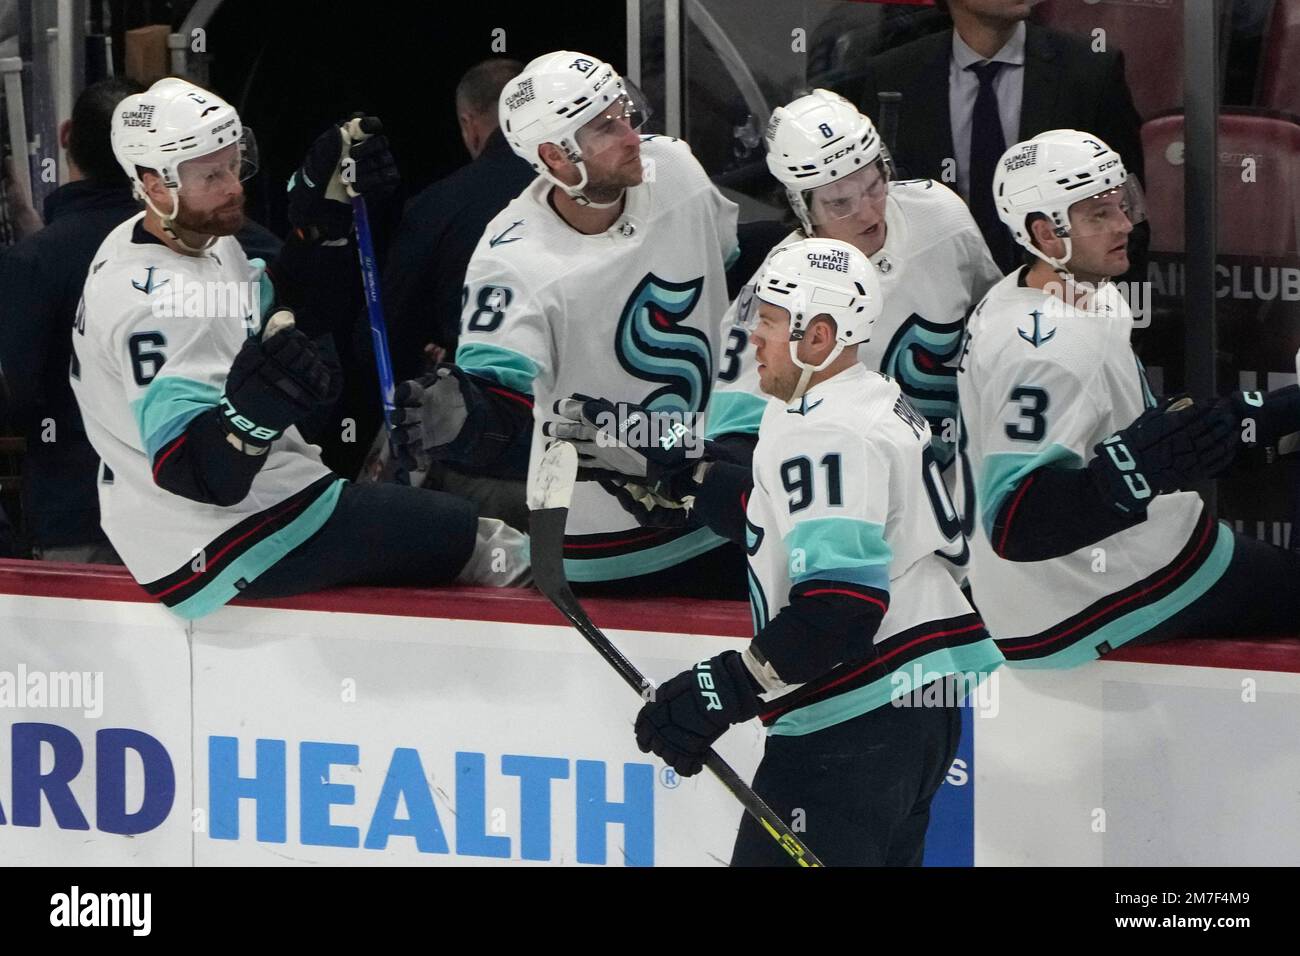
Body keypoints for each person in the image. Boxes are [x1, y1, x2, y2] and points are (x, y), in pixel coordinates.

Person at [549, 238, 1004, 865]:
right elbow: (792, 525)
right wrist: (686, 477)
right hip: (917, 710)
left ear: (816, 337)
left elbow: (841, 605)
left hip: (854, 724)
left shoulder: (825, 432)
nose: (753, 339)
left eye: (767, 321)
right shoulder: (865, 399)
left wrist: (723, 689)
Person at [70, 78, 526, 619]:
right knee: (487, 544)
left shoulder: (182, 242)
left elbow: (294, 314)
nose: (233, 186)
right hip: (222, 537)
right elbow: (195, 473)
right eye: (210, 176)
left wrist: (319, 228)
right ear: (154, 183)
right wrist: (248, 420)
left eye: (233, 164)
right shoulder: (156, 303)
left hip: (223, 518)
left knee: (446, 526)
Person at [391, 51, 745, 597]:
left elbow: (727, 279)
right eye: (605, 127)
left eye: (625, 112)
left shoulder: (677, 171)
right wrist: (465, 418)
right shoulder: (510, 258)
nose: (632, 136)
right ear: (556, 156)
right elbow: (500, 405)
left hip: (725, 511)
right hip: (607, 547)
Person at [958, 129, 1300, 665]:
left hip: (1088, 575)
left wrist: (1262, 417)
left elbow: (1137, 439)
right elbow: (1015, 524)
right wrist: (1134, 473)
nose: (1125, 224)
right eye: (1099, 214)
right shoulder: (1047, 347)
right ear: (1046, 233)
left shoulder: (1058, 294)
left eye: (1123, 202)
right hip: (1079, 599)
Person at [711, 89, 1000, 521]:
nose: (869, 214)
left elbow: (993, 327)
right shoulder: (777, 285)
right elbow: (735, 427)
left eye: (875, 185)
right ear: (801, 206)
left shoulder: (941, 214)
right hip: (862, 505)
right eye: (840, 203)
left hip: (971, 490)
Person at [856, 0, 1144, 271]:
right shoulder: (894, 75)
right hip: (935, 305)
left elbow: (1128, 209)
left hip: (1057, 298)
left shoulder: (1089, 72)